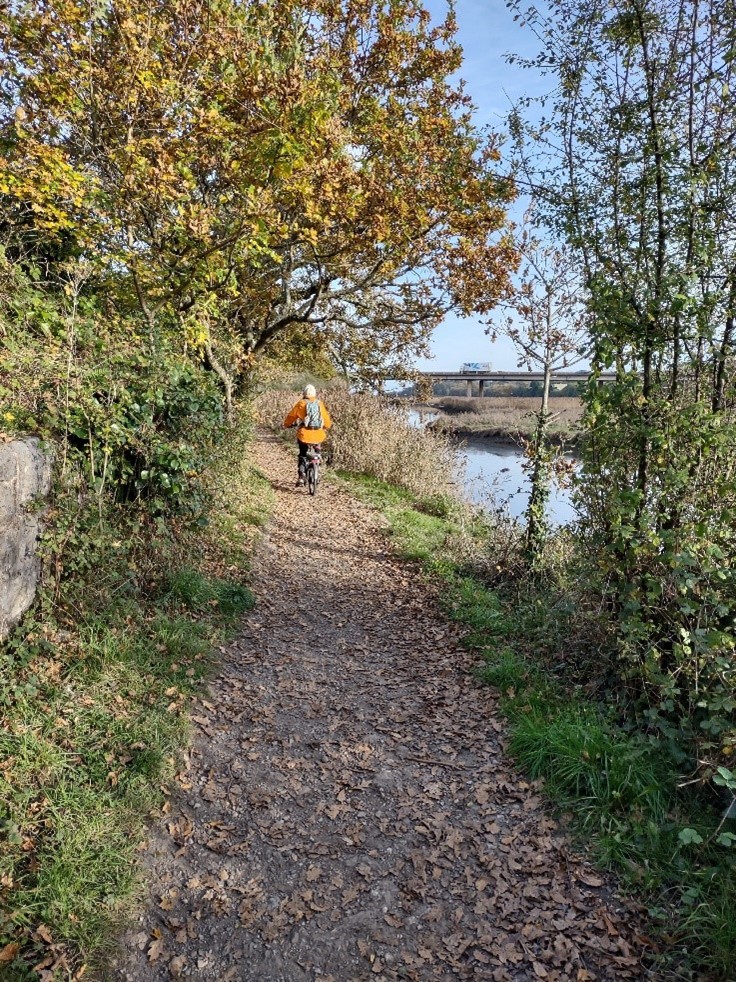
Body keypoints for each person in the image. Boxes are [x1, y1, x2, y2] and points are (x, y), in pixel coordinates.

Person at [283, 384, 332, 486]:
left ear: (304, 393)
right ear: (314, 393)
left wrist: (286, 425)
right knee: (317, 446)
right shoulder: (319, 404)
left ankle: (301, 476)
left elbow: (291, 416)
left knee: (303, 454)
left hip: (304, 434)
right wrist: (325, 427)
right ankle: (317, 460)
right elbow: (327, 421)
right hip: (318, 434)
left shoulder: (301, 403)